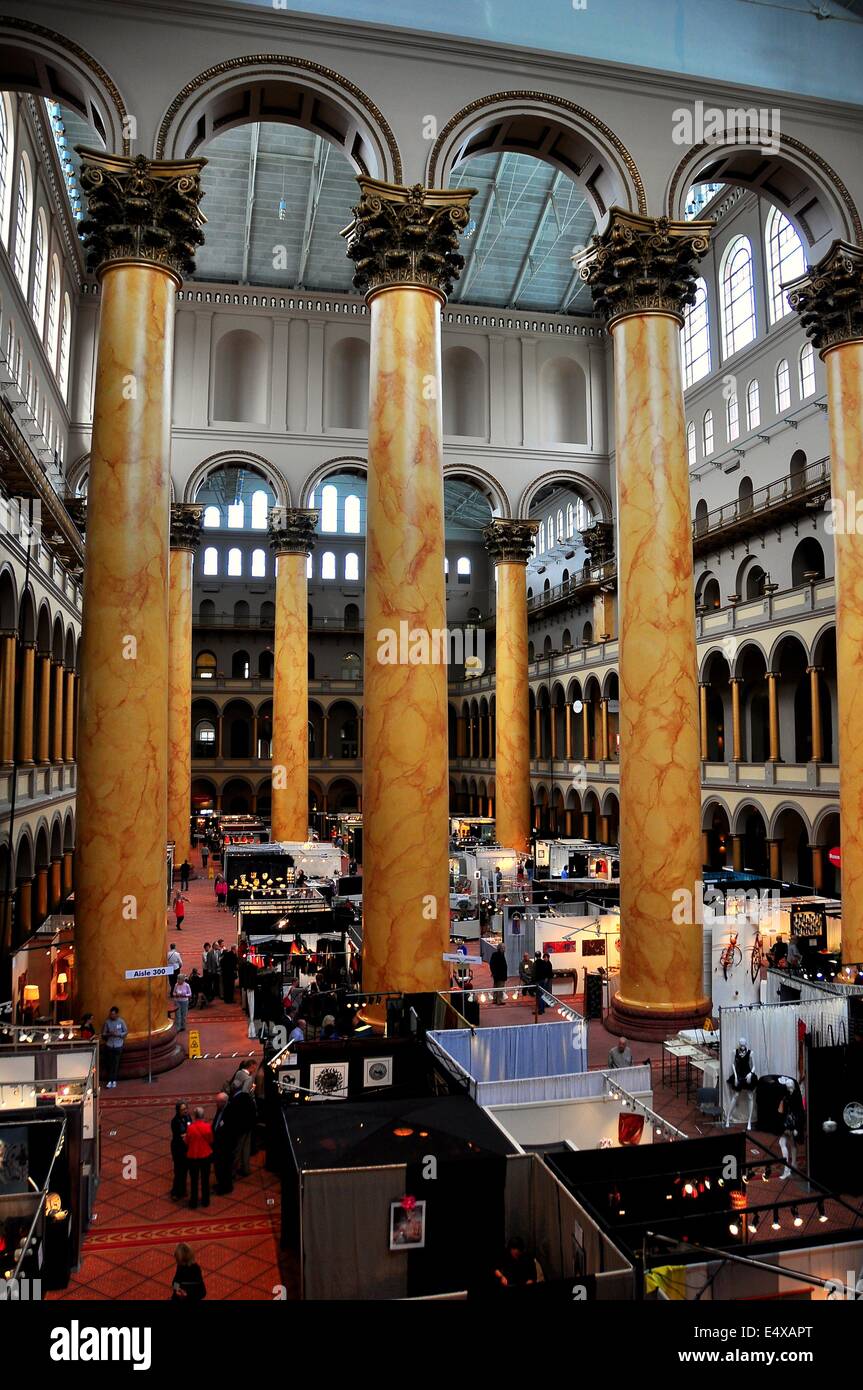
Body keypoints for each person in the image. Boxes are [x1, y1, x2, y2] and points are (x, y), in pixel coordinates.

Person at [184, 1107, 213, 1210]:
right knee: (205, 1180)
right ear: (203, 1116)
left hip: (193, 1157)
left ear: (195, 1116)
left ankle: (194, 1202)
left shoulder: (190, 1128)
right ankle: (206, 1201)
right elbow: (210, 1140)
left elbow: (187, 1142)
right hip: (205, 1157)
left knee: (194, 1180)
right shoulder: (208, 1127)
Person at [227, 1083, 257, 1179]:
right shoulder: (247, 1096)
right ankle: (246, 1169)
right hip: (249, 1127)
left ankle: (232, 1172)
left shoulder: (235, 1101)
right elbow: (253, 1109)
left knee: (237, 1150)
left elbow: (233, 1117)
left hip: (240, 1129)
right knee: (246, 1149)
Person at [212, 1092, 233, 1195]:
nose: (216, 1104)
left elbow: (229, 1131)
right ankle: (221, 1184)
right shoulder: (220, 1109)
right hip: (218, 1143)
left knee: (224, 1167)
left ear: (223, 1102)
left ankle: (225, 1187)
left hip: (225, 1146)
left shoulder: (230, 1112)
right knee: (219, 1167)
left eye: (218, 1102)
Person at [101, 1006, 128, 1088]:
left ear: (117, 1014)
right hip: (109, 1044)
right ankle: (109, 1080)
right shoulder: (107, 1022)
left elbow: (126, 1031)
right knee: (109, 1063)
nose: (112, 1016)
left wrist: (119, 1034)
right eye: (111, 1014)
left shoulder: (121, 1022)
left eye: (113, 1014)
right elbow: (103, 1034)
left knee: (116, 1064)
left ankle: (114, 1080)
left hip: (118, 1045)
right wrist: (110, 1034)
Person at [170, 1101, 190, 1201]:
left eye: (186, 1108)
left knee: (185, 1170)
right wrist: (186, 1135)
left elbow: (189, 1130)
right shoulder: (175, 1121)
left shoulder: (188, 1117)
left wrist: (186, 1135)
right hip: (177, 1149)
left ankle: (183, 1189)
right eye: (183, 1109)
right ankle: (175, 1191)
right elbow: (178, 1136)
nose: (185, 1111)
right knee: (178, 1171)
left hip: (186, 1148)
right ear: (178, 1111)